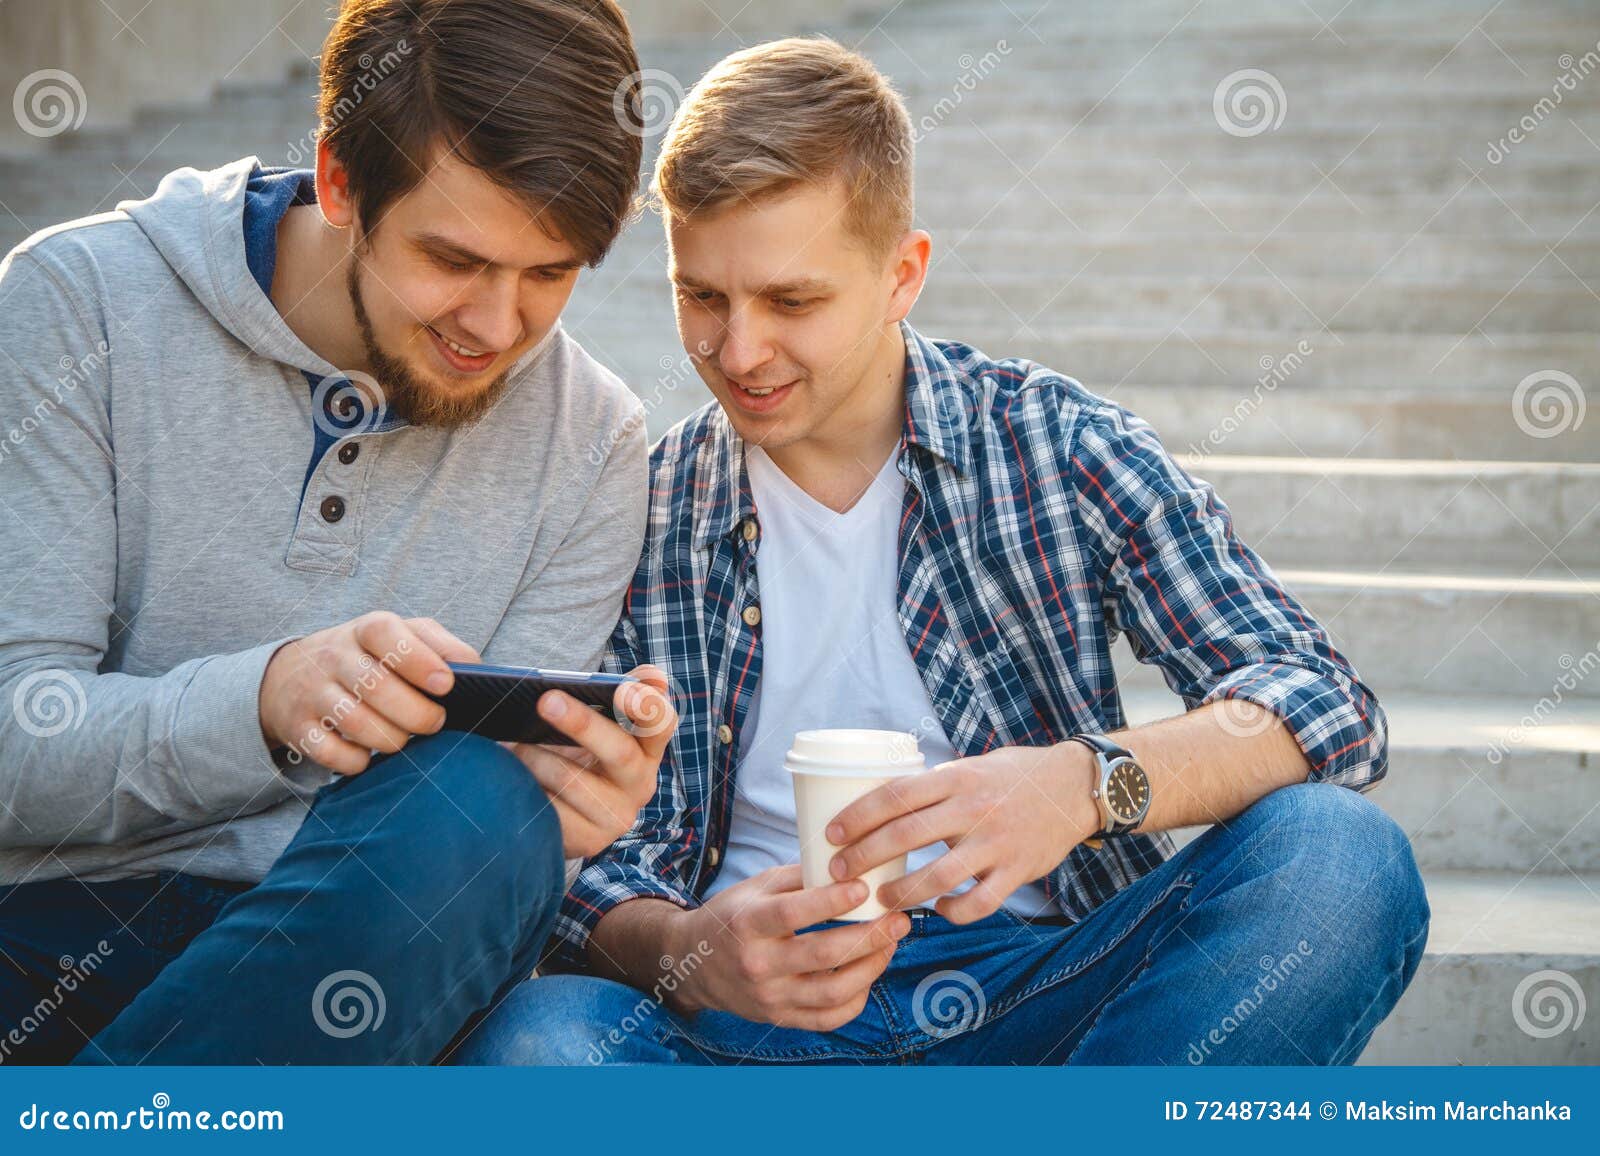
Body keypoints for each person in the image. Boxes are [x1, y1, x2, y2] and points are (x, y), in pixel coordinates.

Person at [457, 37, 1429, 1066]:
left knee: (1339, 858)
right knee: (541, 1047)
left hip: (1037, 988)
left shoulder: (1053, 443)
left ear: (900, 276)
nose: (738, 352)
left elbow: (1320, 702)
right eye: (702, 296)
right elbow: (575, 854)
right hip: (744, 1027)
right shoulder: (639, 505)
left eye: (792, 301)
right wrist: (687, 947)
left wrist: (1082, 786)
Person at [0, 0, 675, 1065]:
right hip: (47, 944)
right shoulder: (78, 304)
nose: (496, 328)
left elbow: (464, 842)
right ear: (339, 181)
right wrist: (263, 702)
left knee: (483, 807)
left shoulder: (592, 439)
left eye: (548, 275)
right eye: (454, 259)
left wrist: (561, 819)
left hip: (353, 965)